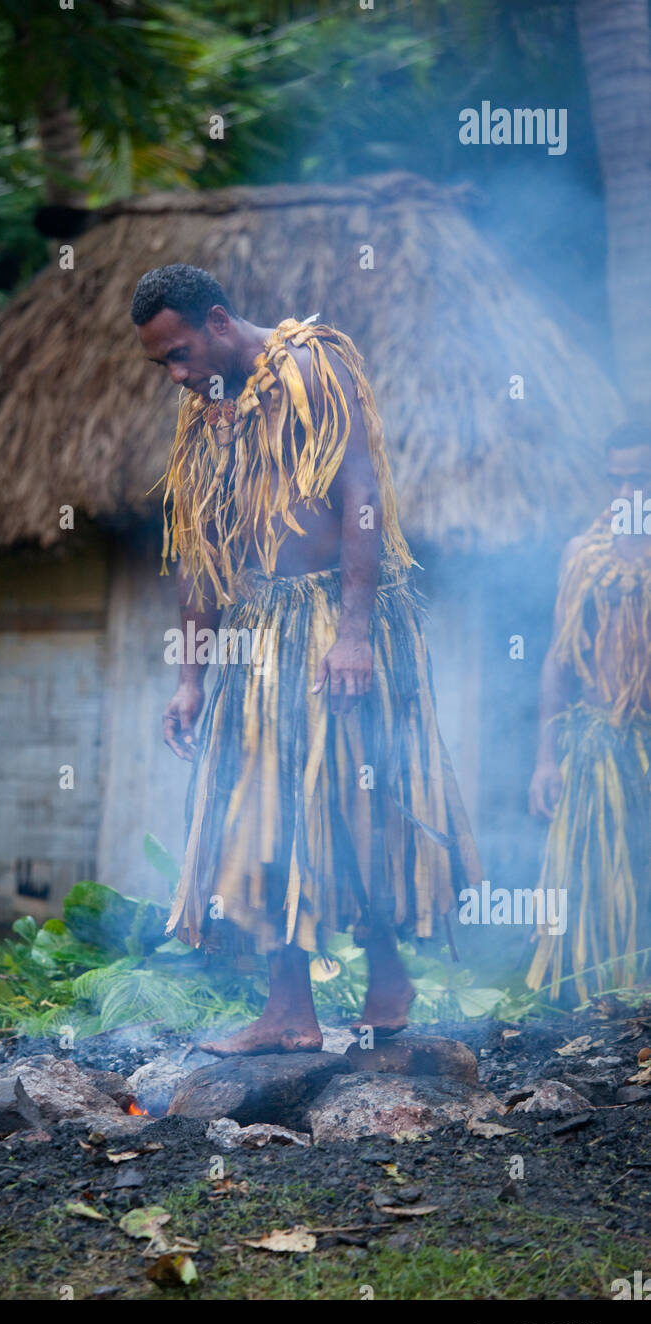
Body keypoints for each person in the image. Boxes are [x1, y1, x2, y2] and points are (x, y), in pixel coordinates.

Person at [132, 262, 481, 1055]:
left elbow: (361, 492)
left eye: (182, 353)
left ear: (218, 321)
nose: (178, 375)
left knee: (359, 805)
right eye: (164, 365)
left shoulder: (313, 365)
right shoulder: (205, 414)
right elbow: (198, 550)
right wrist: (191, 674)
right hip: (259, 632)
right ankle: (298, 1007)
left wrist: (353, 632)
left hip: (337, 619)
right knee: (268, 811)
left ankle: (367, 986)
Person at [527, 421, 651, 1003]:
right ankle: (600, 1006)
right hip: (593, 751)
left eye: (641, 480)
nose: (627, 494)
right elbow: (556, 659)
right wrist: (545, 760)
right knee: (594, 889)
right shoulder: (580, 555)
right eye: (617, 480)